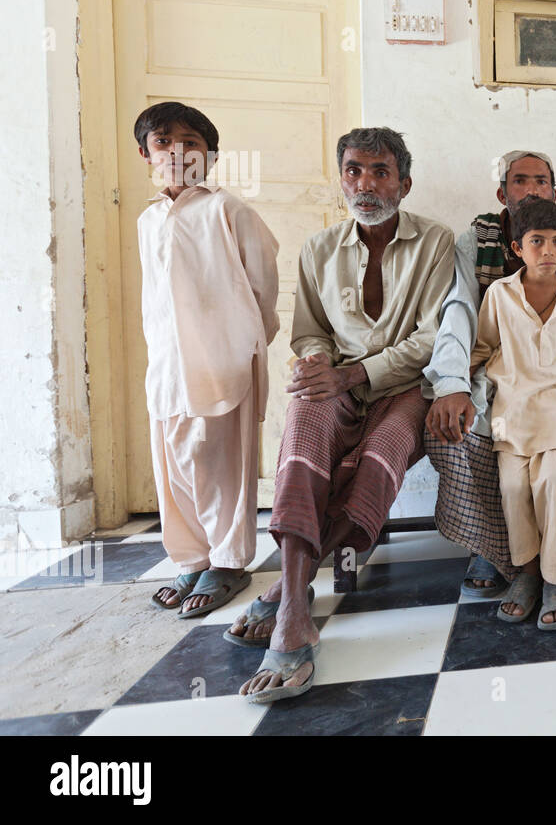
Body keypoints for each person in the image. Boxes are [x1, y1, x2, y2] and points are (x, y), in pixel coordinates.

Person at [232, 127, 459, 703]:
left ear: (405, 183)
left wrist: (354, 374)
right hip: (336, 380)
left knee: (379, 460)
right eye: (354, 171)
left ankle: (292, 590)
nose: (367, 184)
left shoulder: (437, 242)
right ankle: (293, 607)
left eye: (381, 171)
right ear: (342, 180)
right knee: (301, 443)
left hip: (406, 386)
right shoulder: (319, 248)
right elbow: (310, 332)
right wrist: (316, 369)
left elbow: (435, 336)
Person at [424, 150, 556, 598]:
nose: (532, 189)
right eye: (520, 181)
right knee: (505, 476)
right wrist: (455, 384)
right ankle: (500, 552)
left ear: (555, 193)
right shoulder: (476, 247)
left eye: (542, 181)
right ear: (503, 194)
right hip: (510, 392)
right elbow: (463, 318)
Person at [135, 102, 279, 618]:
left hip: (224, 360)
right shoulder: (148, 220)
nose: (178, 151)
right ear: (145, 154)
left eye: (191, 142)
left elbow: (263, 282)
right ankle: (191, 556)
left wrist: (247, 343)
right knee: (174, 464)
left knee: (221, 464)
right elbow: (155, 296)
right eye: (163, 141)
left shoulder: (227, 209)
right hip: (168, 365)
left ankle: (228, 562)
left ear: (210, 156)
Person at [474, 200, 556, 629]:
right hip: (513, 409)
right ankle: (526, 573)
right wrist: (463, 384)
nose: (548, 250)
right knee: (512, 486)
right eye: (536, 242)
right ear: (516, 248)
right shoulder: (499, 295)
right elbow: (482, 346)